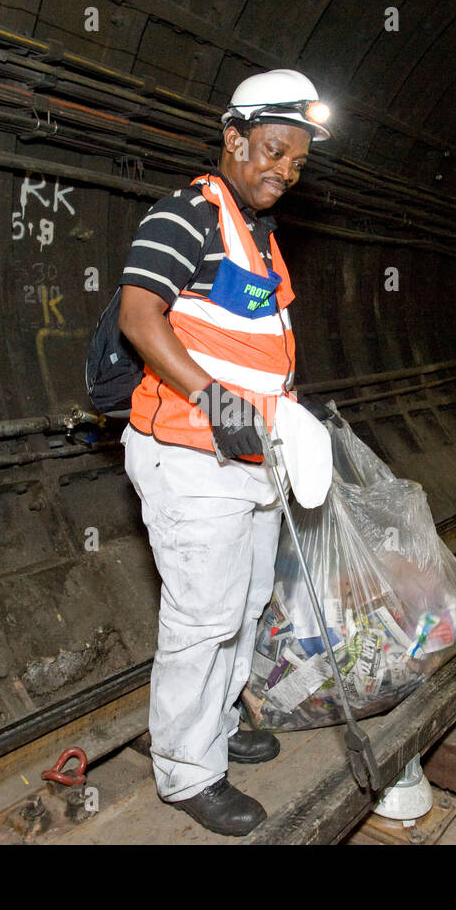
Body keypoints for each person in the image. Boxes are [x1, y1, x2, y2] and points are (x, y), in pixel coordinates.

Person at [117, 69, 332, 836]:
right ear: (234, 137)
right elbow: (142, 318)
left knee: (240, 608)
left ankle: (222, 719)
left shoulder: (261, 237)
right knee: (200, 618)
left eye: (298, 162)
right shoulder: (186, 216)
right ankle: (186, 769)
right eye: (274, 150)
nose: (285, 169)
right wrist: (216, 402)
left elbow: (260, 349)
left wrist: (290, 418)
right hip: (190, 454)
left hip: (253, 459)